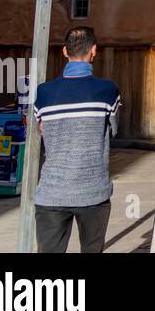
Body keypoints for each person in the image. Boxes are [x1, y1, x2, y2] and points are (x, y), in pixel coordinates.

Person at [32, 26, 121, 253]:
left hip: (52, 192)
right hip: (93, 191)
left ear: (64, 51)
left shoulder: (43, 93)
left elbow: (42, 129)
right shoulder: (108, 90)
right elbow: (114, 129)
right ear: (94, 51)